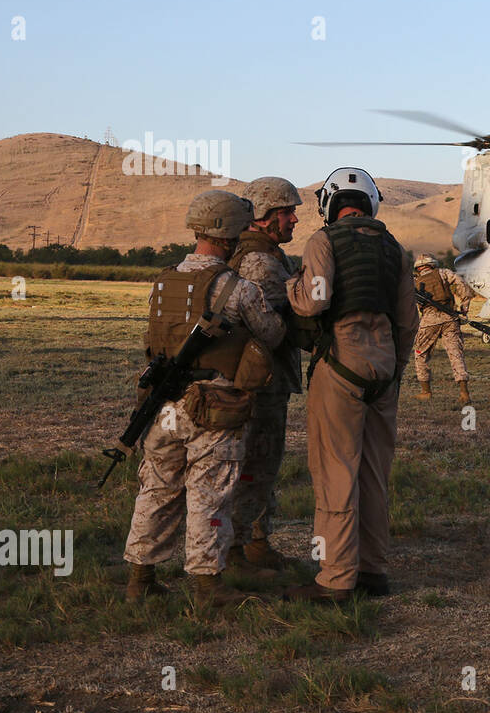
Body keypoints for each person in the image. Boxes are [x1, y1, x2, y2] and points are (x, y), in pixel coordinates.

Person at [123, 190, 286, 606]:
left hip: (164, 405)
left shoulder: (163, 280)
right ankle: (207, 586)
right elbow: (272, 334)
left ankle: (140, 580)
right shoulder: (238, 288)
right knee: (209, 492)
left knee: (156, 490)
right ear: (231, 233)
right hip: (213, 405)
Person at [285, 168, 417, 604]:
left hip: (341, 368)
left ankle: (336, 578)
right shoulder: (396, 250)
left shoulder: (324, 242)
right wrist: (396, 369)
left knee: (336, 472)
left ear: (329, 204)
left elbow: (315, 299)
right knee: (375, 475)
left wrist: (291, 287)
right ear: (371, 203)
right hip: (384, 372)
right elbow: (406, 321)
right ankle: (374, 572)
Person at [227, 177, 303, 571]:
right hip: (260, 382)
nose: (294, 220)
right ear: (262, 216)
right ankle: (240, 549)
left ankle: (254, 541)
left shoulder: (265, 255)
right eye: (287, 212)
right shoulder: (260, 262)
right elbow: (270, 328)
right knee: (257, 463)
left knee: (260, 461)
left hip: (262, 378)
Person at [412, 253, 477, 405]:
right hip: (450, 319)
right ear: (432, 264)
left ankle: (426, 392)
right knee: (456, 354)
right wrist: (465, 304)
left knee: (420, 354)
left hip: (429, 321)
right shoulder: (443, 273)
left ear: (418, 268)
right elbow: (460, 282)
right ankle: (464, 393)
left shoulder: (415, 282)